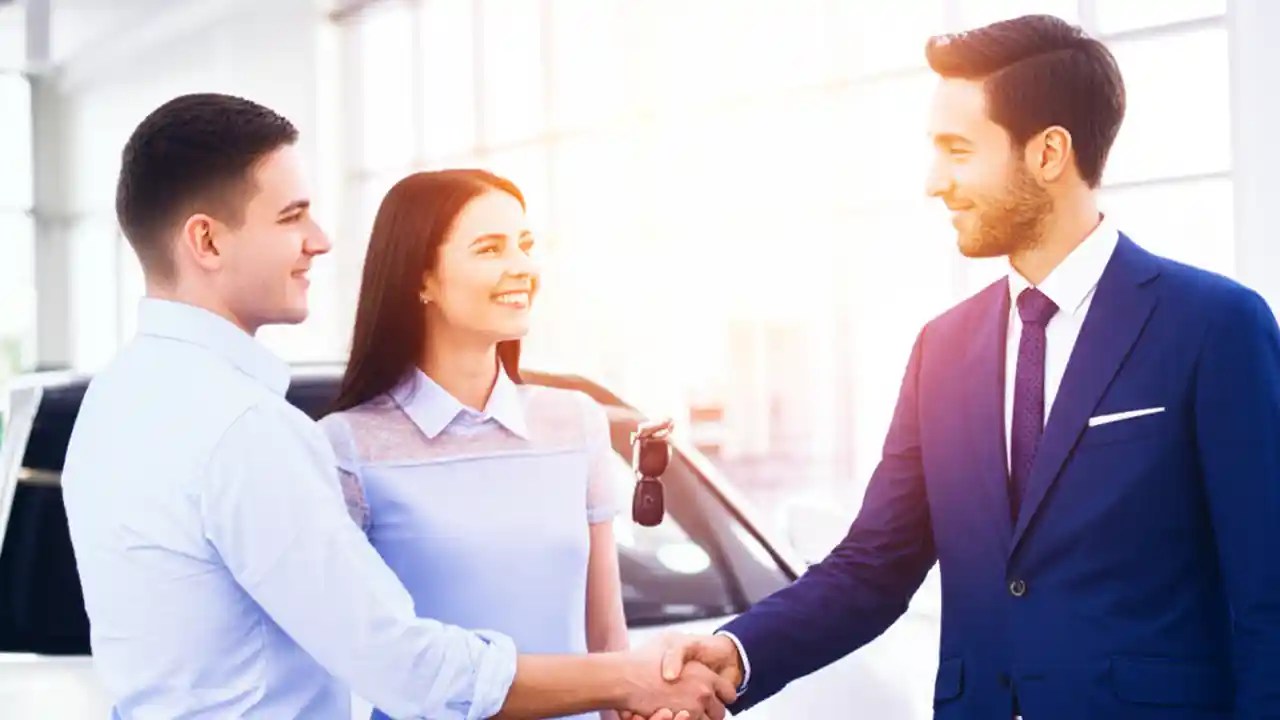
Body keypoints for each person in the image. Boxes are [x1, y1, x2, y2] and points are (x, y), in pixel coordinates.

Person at [656, 14, 1280, 720]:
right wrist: (739, 652)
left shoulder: (1214, 326)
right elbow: (874, 566)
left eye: (957, 151)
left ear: (1048, 153)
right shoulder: (942, 349)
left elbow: (1269, 594)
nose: (935, 183)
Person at [61, 93, 732, 720]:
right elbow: (403, 667)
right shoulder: (249, 430)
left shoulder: (112, 408)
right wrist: (627, 677)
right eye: (292, 217)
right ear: (207, 241)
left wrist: (623, 678)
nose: (320, 240)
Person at [318, 168, 647, 720]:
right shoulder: (348, 446)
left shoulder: (575, 424)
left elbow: (609, 642)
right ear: (421, 279)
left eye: (525, 245)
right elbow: (350, 653)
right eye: (490, 249)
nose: (522, 266)